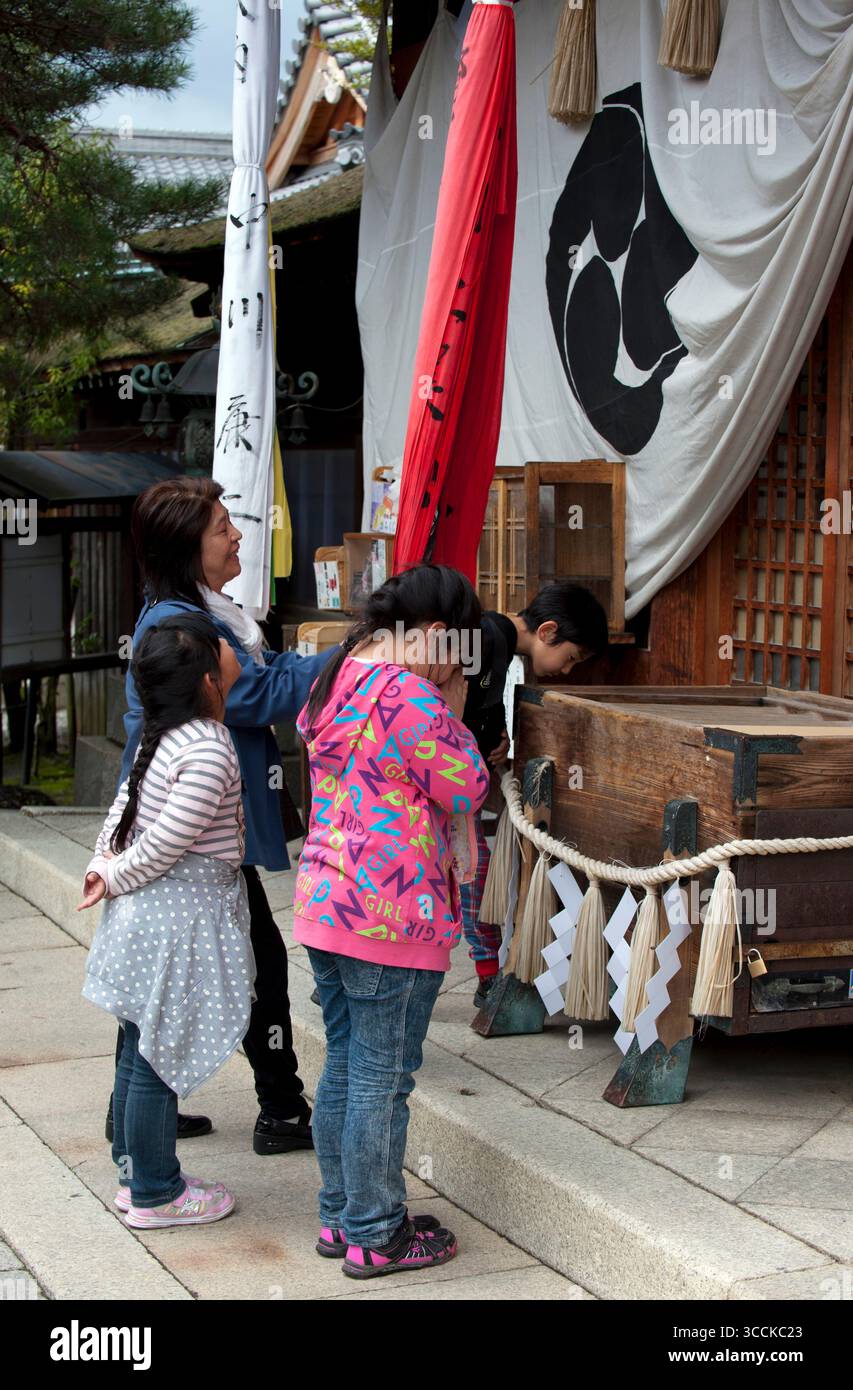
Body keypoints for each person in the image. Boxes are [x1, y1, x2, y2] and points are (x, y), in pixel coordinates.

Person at [105, 476, 334, 1155]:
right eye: (221, 528)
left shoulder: (196, 611)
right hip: (191, 829)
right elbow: (260, 693)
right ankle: (277, 1109)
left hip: (184, 821)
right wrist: (355, 654)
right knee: (251, 964)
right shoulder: (183, 629)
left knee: (181, 970)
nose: (236, 536)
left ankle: (137, 1113)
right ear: (186, 548)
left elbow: (263, 676)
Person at [295, 563, 490, 1279]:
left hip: (325, 899)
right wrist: (456, 705)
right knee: (384, 1076)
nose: (453, 668)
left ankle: (341, 1215)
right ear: (435, 636)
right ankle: (377, 1232)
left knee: (345, 1065)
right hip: (390, 911)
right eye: (455, 652)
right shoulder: (407, 695)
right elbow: (465, 782)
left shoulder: (338, 671)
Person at [80, 615, 251, 1228]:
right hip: (176, 922)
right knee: (156, 1053)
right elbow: (165, 843)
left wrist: (104, 864)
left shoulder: (167, 736)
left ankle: (135, 1173)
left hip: (148, 917)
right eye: (222, 650)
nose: (234, 653)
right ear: (209, 679)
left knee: (138, 1043)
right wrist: (113, 871)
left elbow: (123, 815)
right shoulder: (207, 745)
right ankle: (155, 1191)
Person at [462, 582, 609, 1007]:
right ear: (547, 631)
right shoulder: (488, 637)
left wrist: (495, 735)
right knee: (469, 868)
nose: (566, 671)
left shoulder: (496, 641)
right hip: (437, 783)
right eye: (571, 658)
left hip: (449, 779)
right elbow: (446, 703)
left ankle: (487, 971)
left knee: (468, 867)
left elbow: (474, 705)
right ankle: (486, 972)